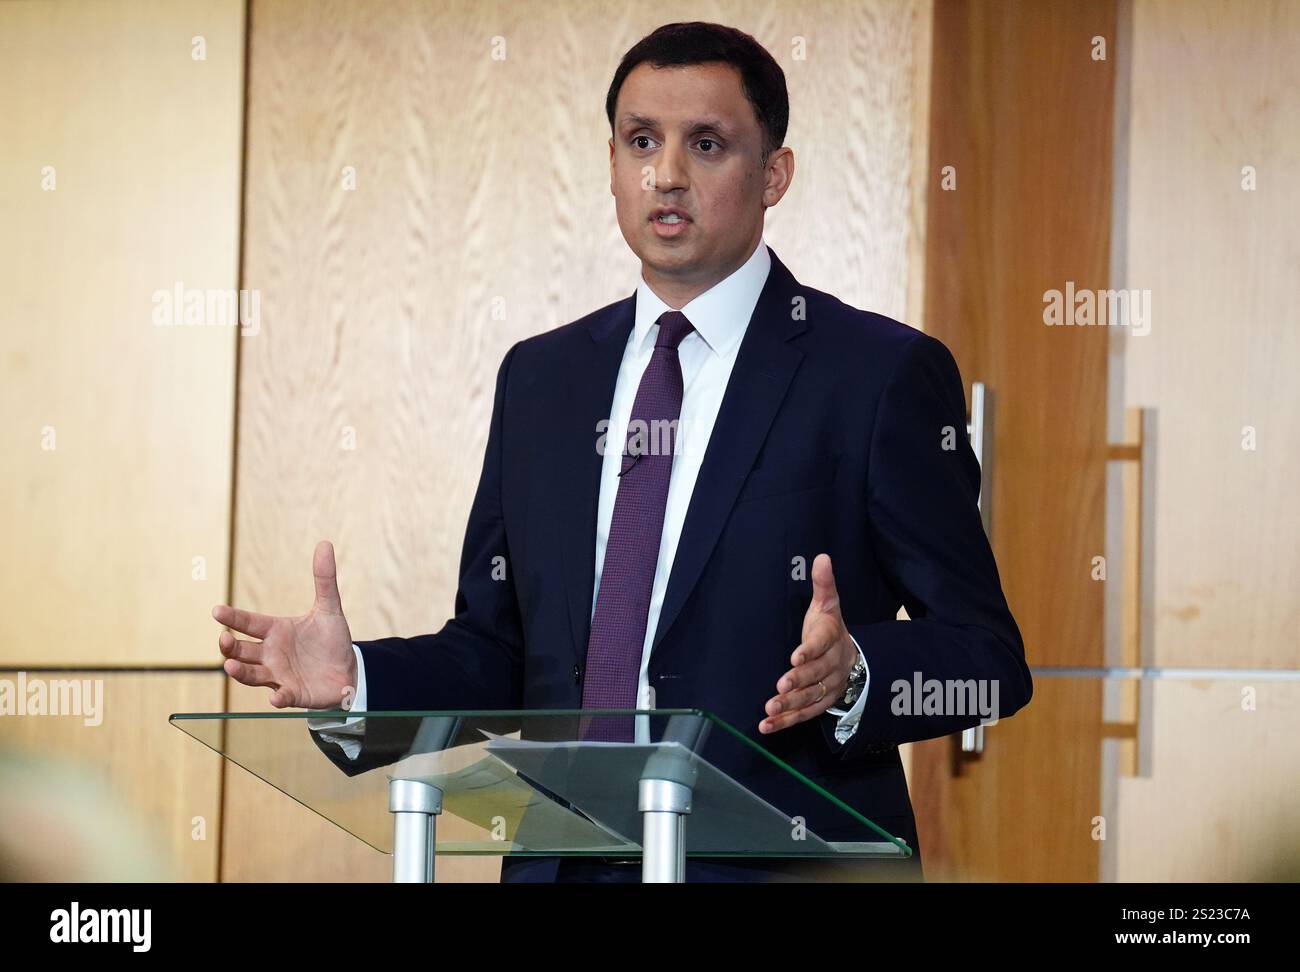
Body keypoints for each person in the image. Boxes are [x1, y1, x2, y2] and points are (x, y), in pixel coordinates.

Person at [213, 21, 1032, 883]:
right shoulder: (542, 379)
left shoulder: (876, 375)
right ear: (611, 165)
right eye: (641, 141)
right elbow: (501, 653)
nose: (667, 174)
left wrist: (857, 673)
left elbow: (987, 659)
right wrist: (360, 682)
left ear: (774, 174)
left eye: (706, 144)